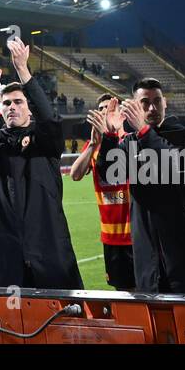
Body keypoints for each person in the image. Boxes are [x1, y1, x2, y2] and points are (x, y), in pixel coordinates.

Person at [0, 38, 82, 290]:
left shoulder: (45, 140)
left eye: (18, 102)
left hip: (49, 248)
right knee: (9, 321)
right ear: (1, 109)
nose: (12, 107)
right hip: (6, 252)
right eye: (6, 103)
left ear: (29, 108)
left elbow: (49, 119)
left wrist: (24, 71)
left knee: (60, 319)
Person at [107, 78, 185, 294]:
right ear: (133, 105)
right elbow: (109, 176)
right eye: (144, 102)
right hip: (149, 260)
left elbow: (183, 170)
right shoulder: (129, 143)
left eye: (157, 101)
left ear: (165, 103)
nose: (152, 108)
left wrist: (143, 133)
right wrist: (110, 135)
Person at [71, 94, 135, 291]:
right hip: (111, 235)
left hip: (136, 234)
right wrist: (92, 144)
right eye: (101, 108)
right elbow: (75, 174)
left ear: (121, 114)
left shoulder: (132, 141)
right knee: (123, 292)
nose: (105, 112)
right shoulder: (94, 146)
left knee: (148, 291)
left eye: (110, 107)